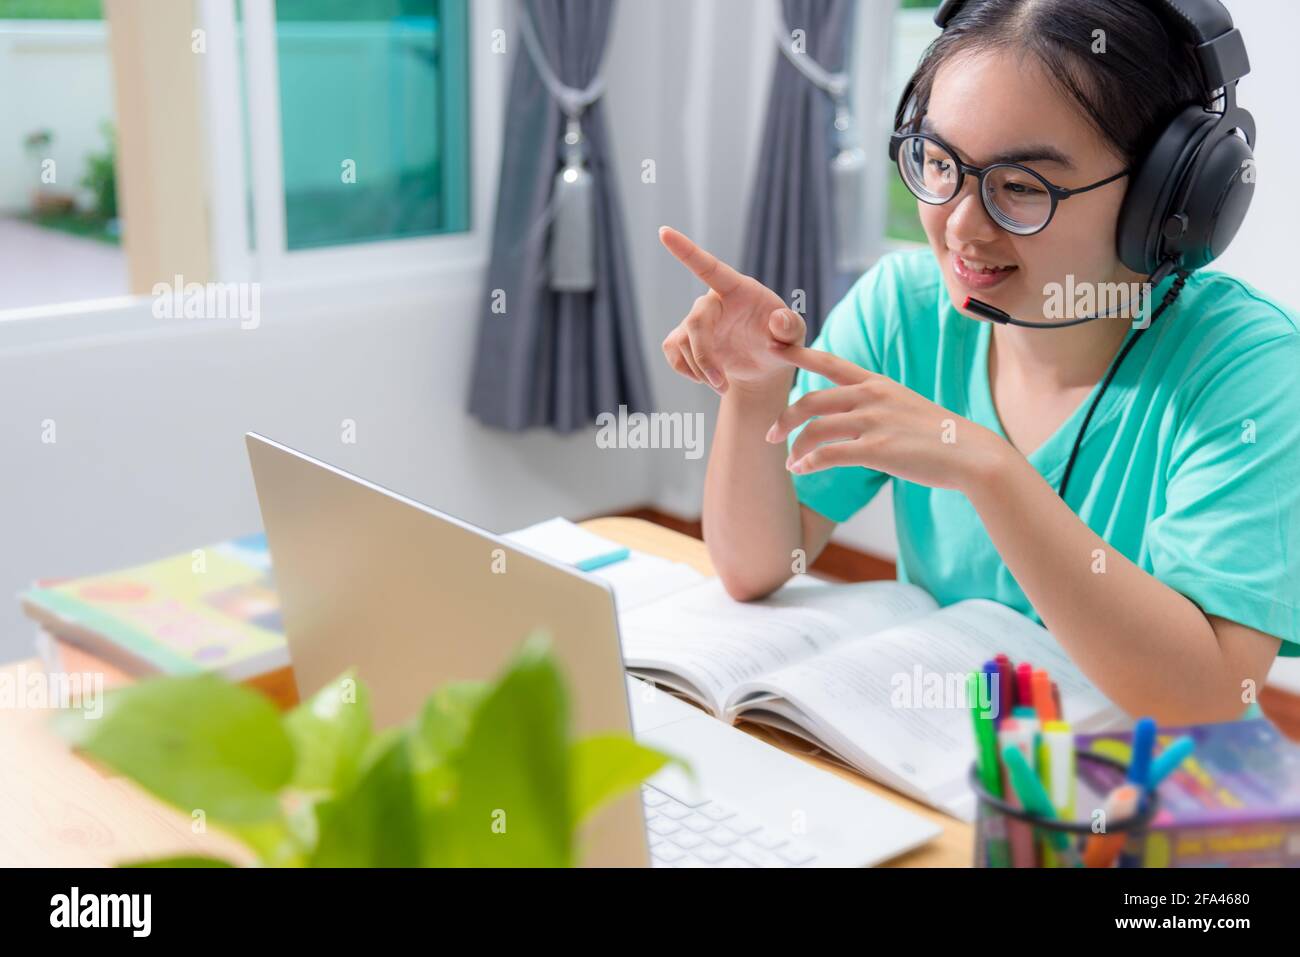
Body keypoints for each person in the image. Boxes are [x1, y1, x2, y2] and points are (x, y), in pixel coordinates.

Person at [658, 0, 1299, 724]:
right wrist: (756, 389)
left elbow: (1210, 696)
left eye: (1021, 187)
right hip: (949, 763)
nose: (961, 227)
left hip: (1157, 806)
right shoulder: (902, 309)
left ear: (1168, 197)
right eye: (938, 163)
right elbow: (756, 568)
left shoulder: (1247, 368)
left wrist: (987, 469)